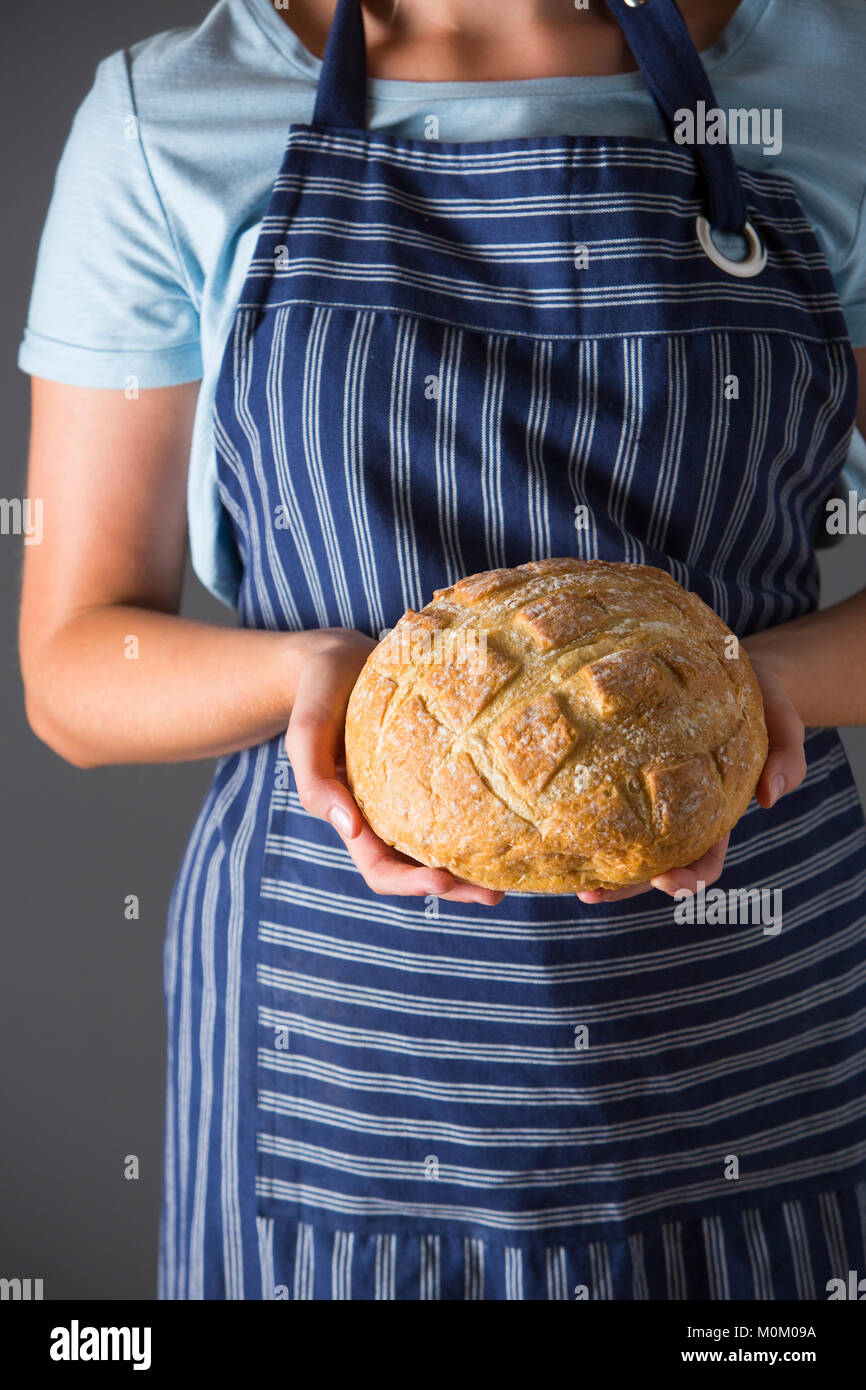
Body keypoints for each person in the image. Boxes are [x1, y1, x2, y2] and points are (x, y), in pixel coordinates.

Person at [18, 0, 866, 1301]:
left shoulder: (826, 83)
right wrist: (317, 678)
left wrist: (746, 696)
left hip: (752, 1057)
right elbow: (73, 669)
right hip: (337, 1098)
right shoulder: (170, 119)